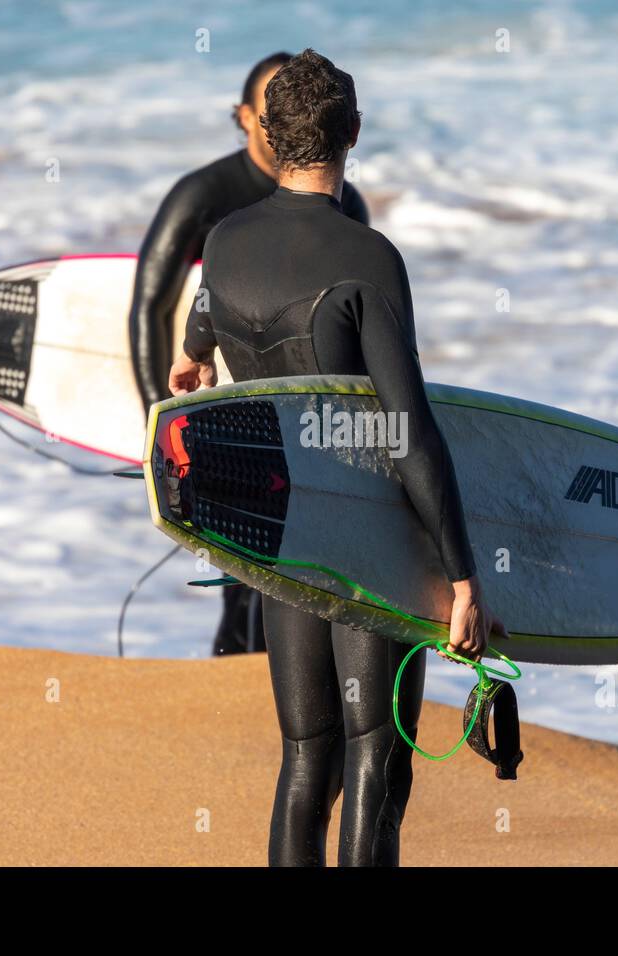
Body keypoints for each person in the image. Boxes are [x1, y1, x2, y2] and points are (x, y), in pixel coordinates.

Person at [168, 50, 506, 866]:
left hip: (282, 532)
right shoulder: (367, 256)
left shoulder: (226, 240)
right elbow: (410, 432)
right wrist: (463, 573)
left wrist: (191, 361)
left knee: (305, 754)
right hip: (370, 537)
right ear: (352, 133)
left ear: (269, 133)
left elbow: (197, 342)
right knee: (376, 757)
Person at [129, 52, 369, 658]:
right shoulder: (205, 197)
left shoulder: (346, 205)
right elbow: (148, 308)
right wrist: (156, 426)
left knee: (292, 580)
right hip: (230, 415)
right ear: (246, 117)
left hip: (309, 431)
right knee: (244, 581)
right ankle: (239, 698)